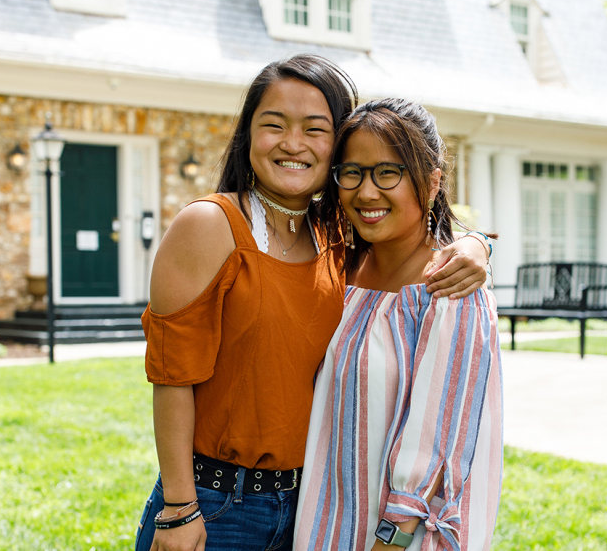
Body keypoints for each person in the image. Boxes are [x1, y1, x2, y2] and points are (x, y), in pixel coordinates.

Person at [135, 56, 492, 551]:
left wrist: (477, 244)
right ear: (248, 135)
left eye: (315, 129)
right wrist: (179, 509)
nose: (293, 143)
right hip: (214, 506)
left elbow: (405, 230)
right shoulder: (209, 226)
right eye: (274, 125)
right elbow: (172, 377)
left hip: (308, 508)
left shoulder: (334, 235)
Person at [293, 98, 503, 551]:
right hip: (324, 525)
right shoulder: (337, 274)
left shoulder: (448, 289)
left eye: (388, 172)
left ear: (430, 183)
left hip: (397, 541)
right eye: (352, 172)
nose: (366, 193)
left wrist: (390, 541)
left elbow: (440, 443)